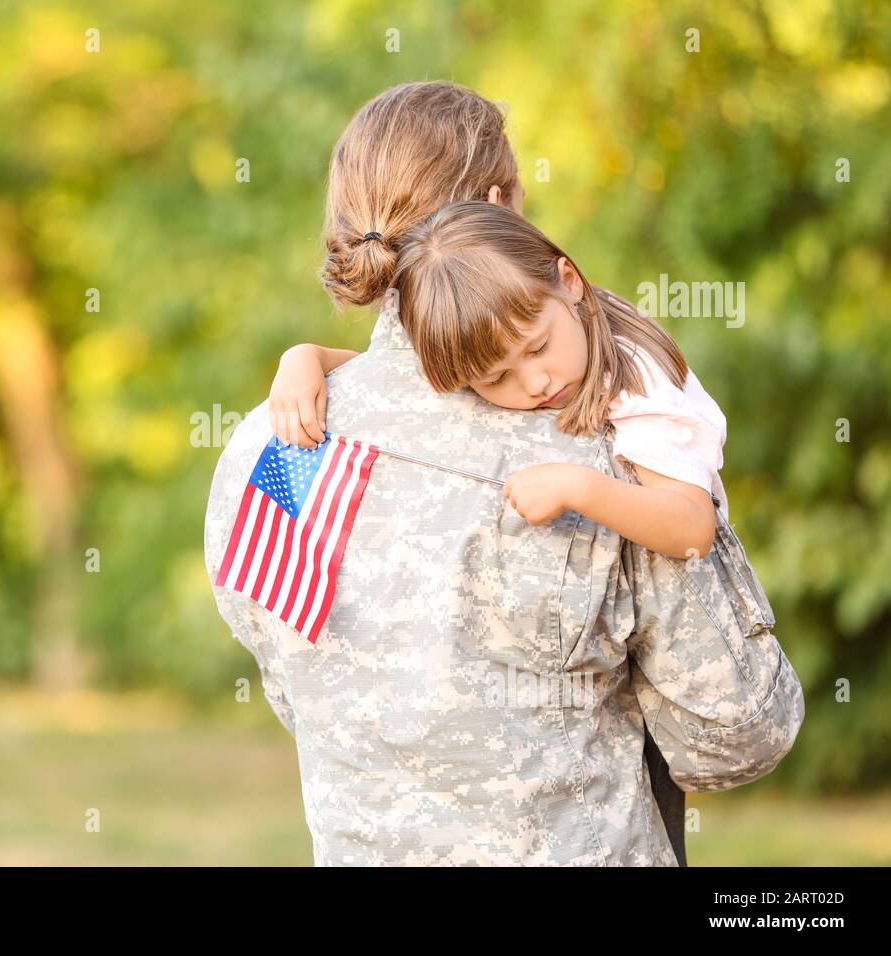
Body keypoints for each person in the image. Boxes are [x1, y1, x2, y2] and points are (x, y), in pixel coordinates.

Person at [203, 80, 804, 865]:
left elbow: (297, 683)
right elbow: (735, 734)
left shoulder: (272, 444)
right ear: (500, 204)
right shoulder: (605, 460)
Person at [269, 200, 729, 562]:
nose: (534, 383)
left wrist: (579, 487)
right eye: (496, 377)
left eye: (538, 348)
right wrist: (308, 357)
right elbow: (398, 382)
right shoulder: (532, 327)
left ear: (568, 281)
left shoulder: (633, 376)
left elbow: (693, 530)